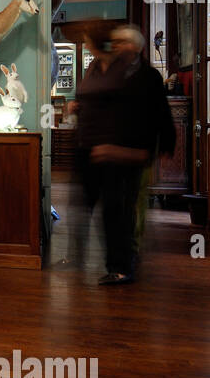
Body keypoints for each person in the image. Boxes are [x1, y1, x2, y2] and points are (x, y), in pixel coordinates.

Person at [68, 24, 176, 285]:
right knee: (90, 206)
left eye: (123, 42)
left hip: (126, 152)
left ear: (136, 47)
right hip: (95, 149)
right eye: (115, 42)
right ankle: (87, 259)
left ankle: (123, 264)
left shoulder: (145, 76)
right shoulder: (104, 69)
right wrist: (78, 108)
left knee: (121, 209)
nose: (117, 46)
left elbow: (158, 114)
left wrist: (157, 147)